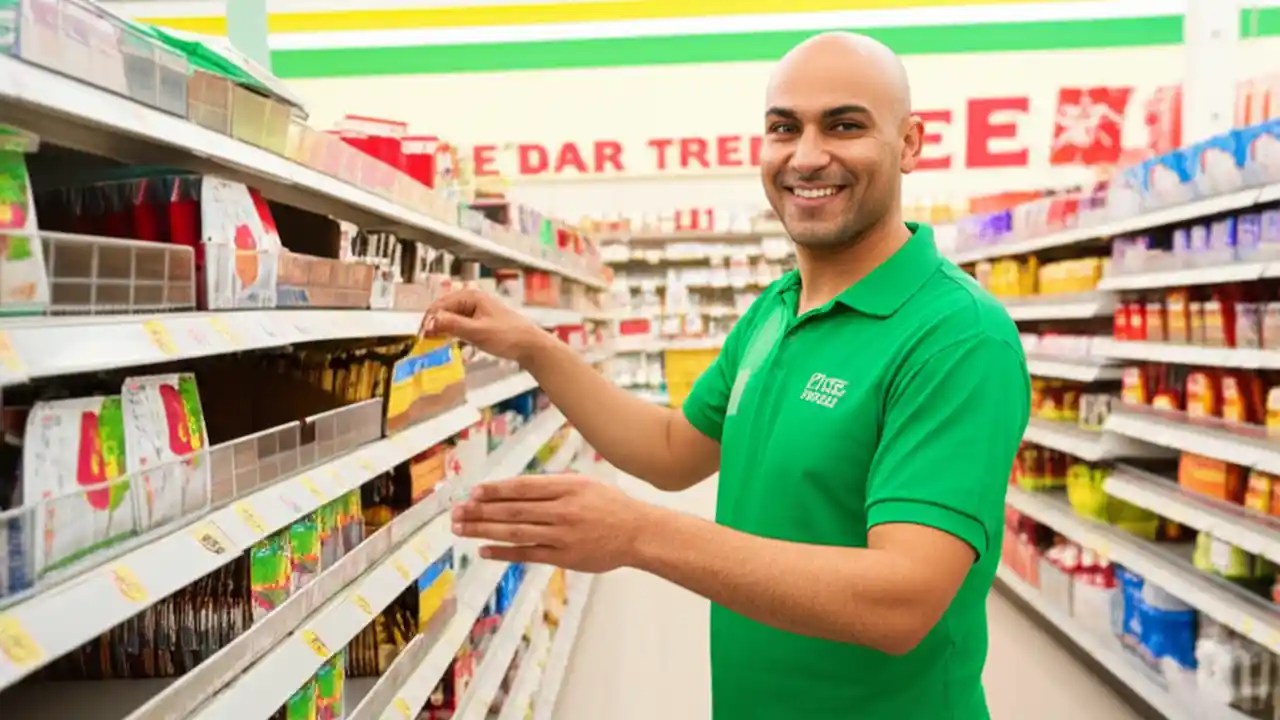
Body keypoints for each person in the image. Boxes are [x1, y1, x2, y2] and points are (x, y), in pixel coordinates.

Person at [422, 31, 1029, 720]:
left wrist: (638, 535)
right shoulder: (775, 309)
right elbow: (673, 449)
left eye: (845, 124)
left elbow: (902, 601)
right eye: (783, 127)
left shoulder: (957, 335)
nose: (806, 155)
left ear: (911, 143)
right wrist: (533, 347)